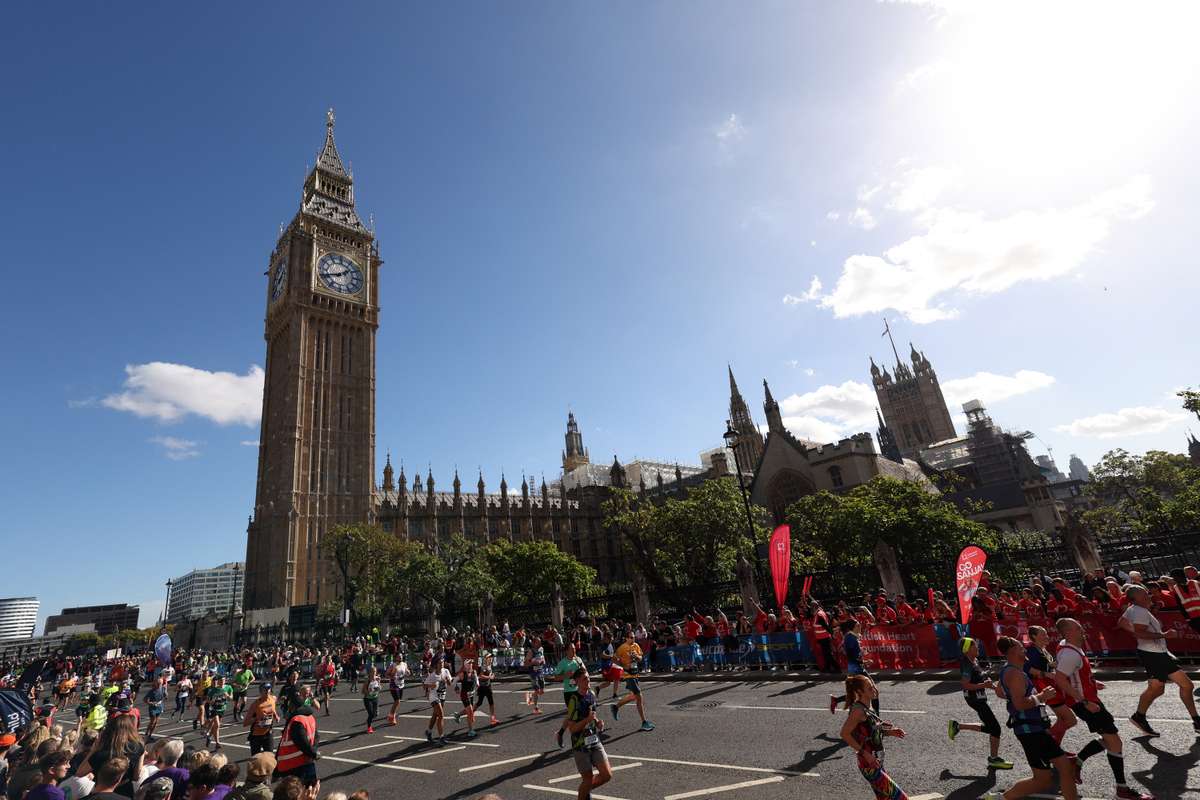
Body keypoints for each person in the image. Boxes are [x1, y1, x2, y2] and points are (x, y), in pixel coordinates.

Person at [1053, 618, 1152, 800]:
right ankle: (1121, 789)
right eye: (1077, 627)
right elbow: (1060, 679)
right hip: (1086, 703)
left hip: (1089, 699)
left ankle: (1077, 761)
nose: (1082, 628)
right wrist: (1083, 701)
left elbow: (1073, 675)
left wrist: (1090, 682)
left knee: (1111, 739)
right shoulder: (1070, 654)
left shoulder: (1067, 645)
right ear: (1068, 633)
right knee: (1115, 742)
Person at [985, 636, 1078, 800]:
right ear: (1013, 651)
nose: (1025, 650)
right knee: (1059, 771)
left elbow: (1000, 692)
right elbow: (1020, 704)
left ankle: (1000, 798)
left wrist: (1015, 696)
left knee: (1044, 779)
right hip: (1031, 731)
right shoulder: (1015, 674)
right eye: (1021, 648)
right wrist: (1041, 697)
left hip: (1032, 729)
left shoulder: (1010, 670)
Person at [1118, 583, 1200, 735]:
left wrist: (1135, 633)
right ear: (1137, 598)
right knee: (1186, 685)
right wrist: (1164, 635)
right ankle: (1196, 721)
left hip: (1155, 653)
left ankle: (1139, 716)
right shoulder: (1139, 611)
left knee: (1157, 689)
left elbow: (1121, 622)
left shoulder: (1134, 609)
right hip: (1153, 654)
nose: (1148, 596)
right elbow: (1141, 633)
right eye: (1145, 594)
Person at [838, 675, 909, 800]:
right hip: (869, 765)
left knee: (884, 798)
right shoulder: (858, 710)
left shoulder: (868, 707)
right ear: (860, 692)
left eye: (873, 686)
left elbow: (871, 732)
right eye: (870, 688)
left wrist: (890, 732)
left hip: (876, 762)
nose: (874, 690)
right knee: (901, 798)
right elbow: (844, 733)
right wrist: (864, 753)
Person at [948, 638, 1013, 770]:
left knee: (991, 727)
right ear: (967, 649)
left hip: (979, 697)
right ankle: (993, 759)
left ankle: (957, 726)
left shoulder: (975, 661)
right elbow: (965, 685)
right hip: (974, 699)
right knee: (995, 728)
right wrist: (984, 684)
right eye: (975, 646)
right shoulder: (967, 664)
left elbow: (981, 678)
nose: (978, 648)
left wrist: (995, 689)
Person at [565, 668, 612, 800]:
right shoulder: (574, 700)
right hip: (580, 745)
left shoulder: (591, 694)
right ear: (577, 682)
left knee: (607, 775)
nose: (588, 680)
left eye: (588, 678)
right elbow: (572, 729)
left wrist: (597, 722)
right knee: (587, 779)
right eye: (585, 679)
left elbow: (592, 714)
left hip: (594, 740)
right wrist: (587, 720)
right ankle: (584, 792)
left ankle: (585, 790)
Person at [1024, 626, 1075, 743]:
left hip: (1050, 686)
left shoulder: (1043, 650)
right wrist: (1045, 674)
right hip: (1042, 687)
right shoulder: (1031, 650)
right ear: (1033, 637)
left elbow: (1048, 666)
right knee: (1070, 720)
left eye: (1046, 633)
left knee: (1063, 719)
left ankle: (1055, 748)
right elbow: (1026, 668)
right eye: (1043, 634)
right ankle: (1044, 740)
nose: (1046, 636)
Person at [830, 620, 877, 714]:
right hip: (856, 670)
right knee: (873, 692)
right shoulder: (850, 638)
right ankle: (875, 716)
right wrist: (864, 662)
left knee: (859, 693)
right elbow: (851, 656)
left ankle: (837, 701)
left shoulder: (852, 637)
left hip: (857, 668)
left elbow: (854, 654)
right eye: (858, 625)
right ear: (853, 627)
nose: (860, 627)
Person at [611, 631, 654, 732]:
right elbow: (613, 659)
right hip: (628, 675)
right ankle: (644, 722)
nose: (633, 639)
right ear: (626, 638)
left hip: (635, 674)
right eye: (630, 637)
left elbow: (640, 658)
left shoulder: (636, 646)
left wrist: (636, 656)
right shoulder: (622, 647)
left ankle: (616, 707)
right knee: (639, 696)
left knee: (633, 696)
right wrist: (623, 665)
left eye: (634, 637)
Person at [274, 701, 319, 788]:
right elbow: (316, 736)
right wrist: (314, 752)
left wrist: (276, 770)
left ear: (293, 708)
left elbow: (301, 742)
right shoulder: (310, 717)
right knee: (310, 788)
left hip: (292, 764)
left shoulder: (296, 720)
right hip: (308, 760)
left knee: (293, 792)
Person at [553, 643, 585, 749]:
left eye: (575, 649)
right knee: (574, 717)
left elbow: (585, 672)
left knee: (575, 715)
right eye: (572, 649)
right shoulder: (563, 663)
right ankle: (577, 740)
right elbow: (556, 677)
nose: (574, 651)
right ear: (566, 651)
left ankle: (560, 733)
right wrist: (566, 675)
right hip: (569, 692)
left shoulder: (578, 660)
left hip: (579, 690)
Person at [423, 657, 453, 746]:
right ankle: (441, 737)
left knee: (435, 715)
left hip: (442, 696)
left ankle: (428, 732)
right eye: (440, 663)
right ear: (436, 665)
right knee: (441, 715)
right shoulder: (432, 675)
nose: (442, 664)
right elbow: (424, 686)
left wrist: (447, 680)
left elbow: (450, 684)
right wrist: (431, 685)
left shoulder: (446, 671)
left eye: (443, 662)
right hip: (433, 696)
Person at [244, 683, 278, 755]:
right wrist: (257, 718)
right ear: (260, 691)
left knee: (270, 756)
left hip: (268, 733)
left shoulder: (273, 699)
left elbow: (273, 709)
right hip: (256, 735)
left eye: (268, 689)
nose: (267, 691)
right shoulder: (255, 704)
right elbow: (245, 723)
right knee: (255, 759)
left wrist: (276, 716)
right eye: (265, 689)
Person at [451, 660, 479, 738]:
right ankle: (470, 731)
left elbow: (477, 680)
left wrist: (477, 684)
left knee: (469, 711)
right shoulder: (462, 674)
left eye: (472, 663)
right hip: (464, 695)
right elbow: (454, 681)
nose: (471, 665)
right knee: (470, 711)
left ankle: (458, 715)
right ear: (465, 665)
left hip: (472, 695)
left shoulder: (474, 672)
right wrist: (456, 688)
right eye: (469, 663)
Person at [205, 675, 233, 751]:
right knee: (217, 724)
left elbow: (231, 698)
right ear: (219, 681)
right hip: (214, 709)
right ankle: (217, 743)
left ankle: (209, 737)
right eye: (220, 680)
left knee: (216, 726)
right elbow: (207, 700)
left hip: (222, 709)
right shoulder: (213, 690)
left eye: (223, 680)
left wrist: (227, 696)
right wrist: (211, 701)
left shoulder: (228, 687)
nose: (222, 682)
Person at [384, 655, 409, 726]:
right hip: (393, 685)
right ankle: (391, 716)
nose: (400, 658)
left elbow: (407, 671)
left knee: (398, 701)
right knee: (397, 701)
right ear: (396, 658)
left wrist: (408, 672)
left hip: (401, 685)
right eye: (399, 657)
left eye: (401, 656)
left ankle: (391, 714)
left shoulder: (404, 664)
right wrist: (392, 677)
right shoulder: (393, 665)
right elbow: (386, 674)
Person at [475, 652, 498, 726]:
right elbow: (480, 676)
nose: (491, 659)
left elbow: (489, 675)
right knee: (480, 703)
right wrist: (489, 677)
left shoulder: (489, 666)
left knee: (490, 703)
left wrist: (492, 675)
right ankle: (470, 713)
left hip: (488, 686)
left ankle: (493, 719)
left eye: (491, 657)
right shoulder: (484, 666)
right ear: (486, 659)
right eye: (489, 657)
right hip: (483, 687)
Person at [143, 677, 167, 742]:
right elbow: (145, 700)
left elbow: (165, 697)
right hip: (153, 707)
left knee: (156, 722)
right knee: (152, 721)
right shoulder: (152, 691)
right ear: (156, 683)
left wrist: (165, 696)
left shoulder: (163, 689)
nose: (159, 684)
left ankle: (150, 735)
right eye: (158, 683)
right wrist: (151, 703)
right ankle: (147, 734)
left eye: (161, 683)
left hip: (159, 707)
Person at [361, 667, 381, 734]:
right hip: (368, 699)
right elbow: (362, 691)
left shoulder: (377, 679)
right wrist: (369, 691)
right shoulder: (367, 680)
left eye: (375, 671)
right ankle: (369, 728)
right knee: (371, 714)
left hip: (375, 698)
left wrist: (378, 688)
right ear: (369, 673)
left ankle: (371, 717)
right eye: (372, 672)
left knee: (375, 714)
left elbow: (380, 688)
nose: (374, 673)